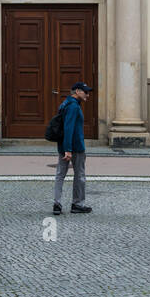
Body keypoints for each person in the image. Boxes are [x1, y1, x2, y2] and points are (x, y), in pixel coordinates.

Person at [52, 82, 92, 216]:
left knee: (60, 175)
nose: (88, 95)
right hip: (74, 147)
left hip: (63, 145)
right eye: (85, 92)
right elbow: (69, 128)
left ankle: (57, 203)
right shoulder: (74, 106)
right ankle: (77, 204)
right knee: (80, 175)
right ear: (77, 91)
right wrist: (68, 150)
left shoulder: (65, 104)